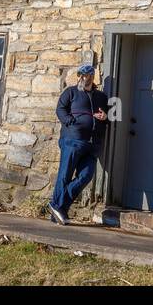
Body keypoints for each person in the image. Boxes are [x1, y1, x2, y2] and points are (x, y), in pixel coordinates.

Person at [48, 63, 109, 225]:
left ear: (92, 76)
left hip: (92, 144)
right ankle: (59, 211)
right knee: (64, 176)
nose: (82, 78)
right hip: (72, 140)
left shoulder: (102, 97)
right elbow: (60, 109)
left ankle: (57, 206)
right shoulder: (70, 92)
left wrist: (105, 118)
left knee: (86, 175)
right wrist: (71, 122)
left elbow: (107, 118)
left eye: (86, 75)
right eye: (80, 75)